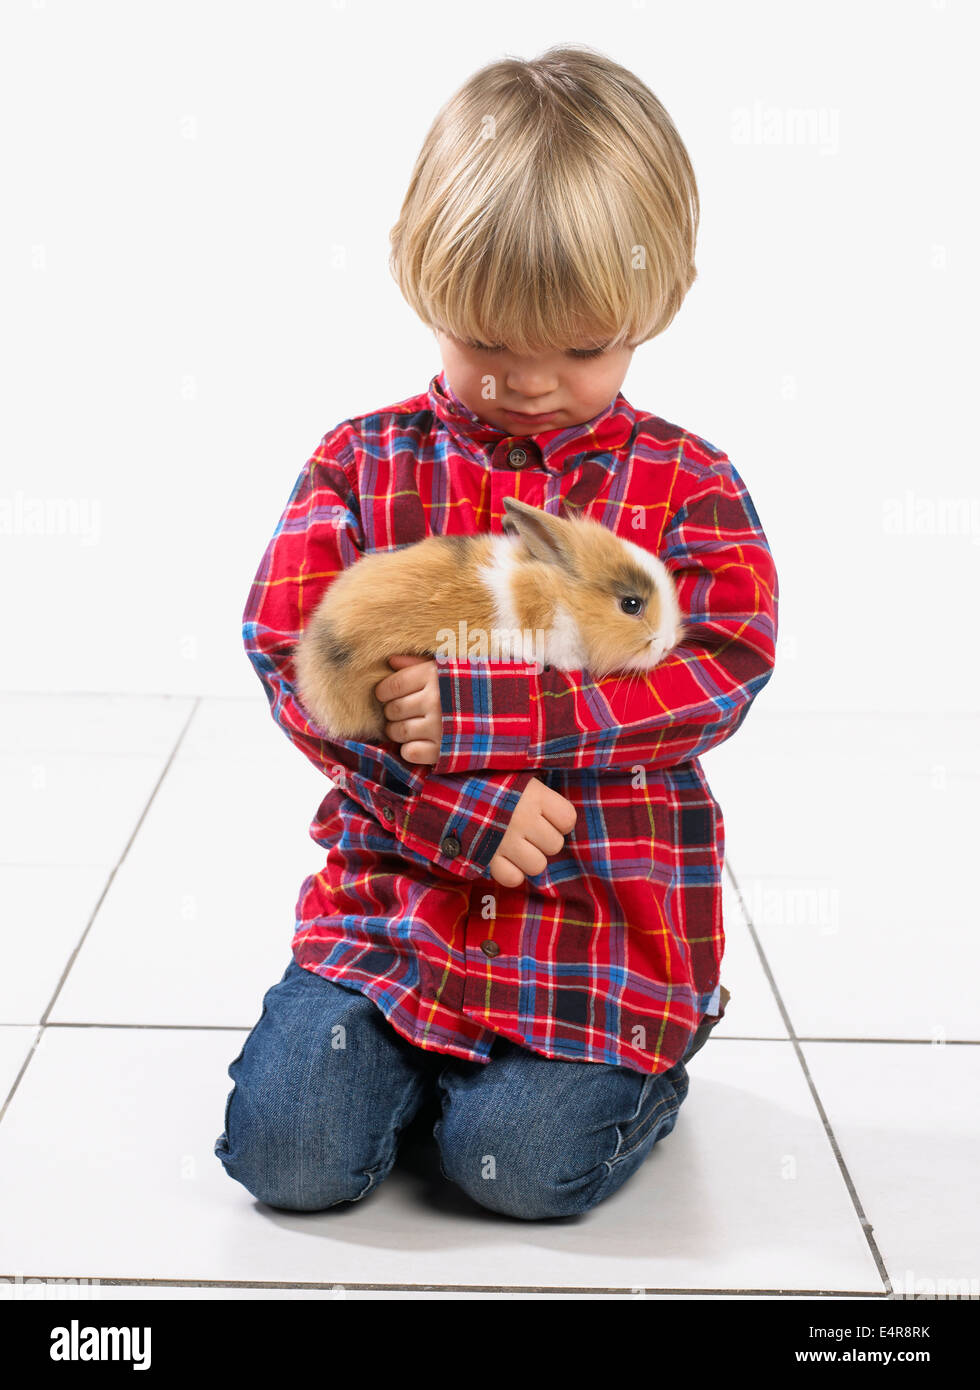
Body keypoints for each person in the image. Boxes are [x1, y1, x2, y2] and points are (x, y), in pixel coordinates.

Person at [214, 44, 778, 1221]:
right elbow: (288, 650)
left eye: (580, 348)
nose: (529, 384)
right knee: (292, 1160)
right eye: (487, 341)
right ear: (421, 281)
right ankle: (403, 1067)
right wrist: (452, 805)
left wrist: (501, 716)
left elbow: (723, 665)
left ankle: (614, 1075)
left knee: (516, 1172)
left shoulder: (685, 486)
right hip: (398, 911)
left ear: (655, 299)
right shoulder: (360, 463)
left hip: (595, 934)